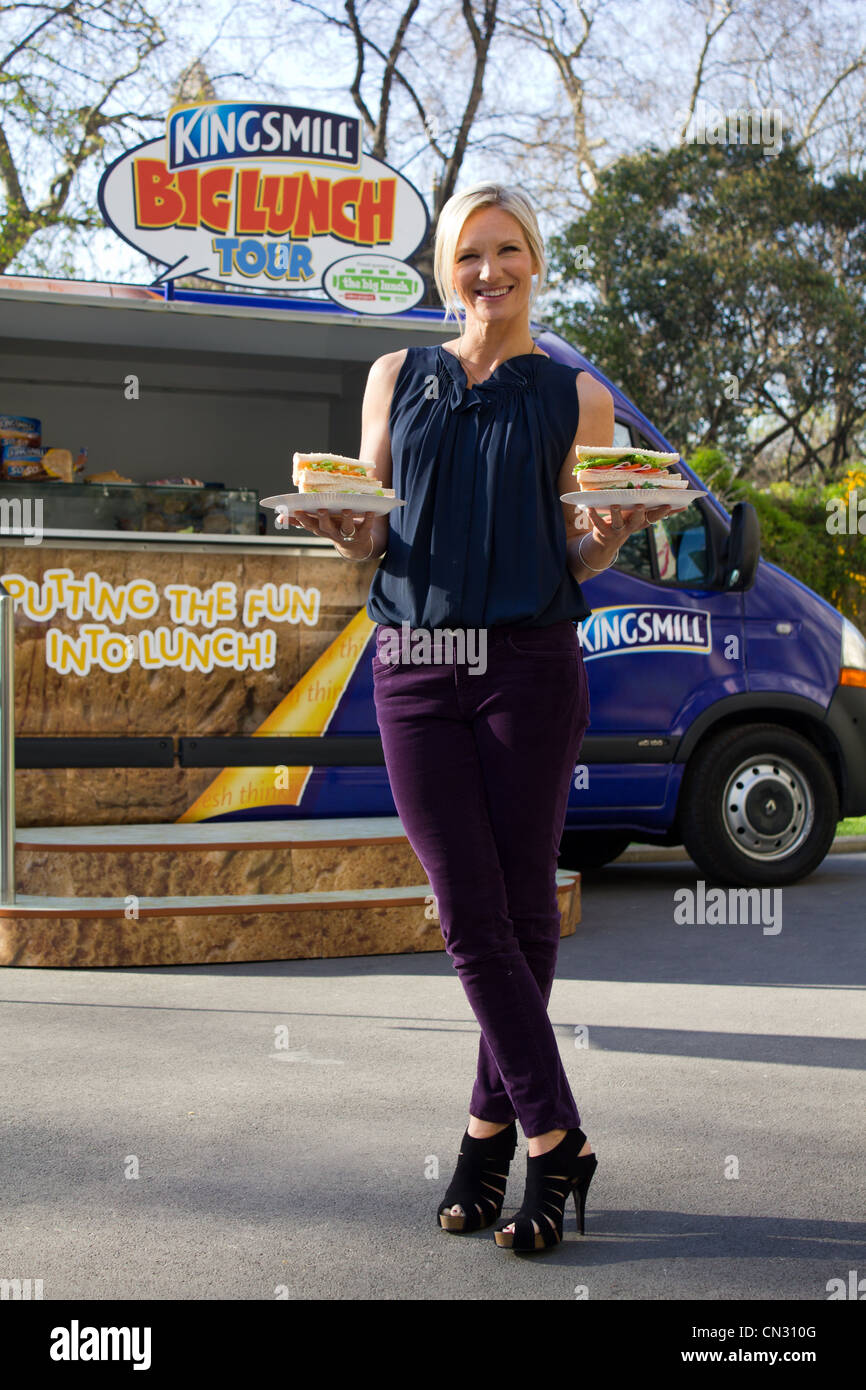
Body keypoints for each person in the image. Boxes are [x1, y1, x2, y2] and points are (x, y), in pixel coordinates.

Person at [289, 181, 674, 1253]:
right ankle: (557, 1138)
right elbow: (372, 531)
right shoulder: (392, 376)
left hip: (529, 665)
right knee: (467, 912)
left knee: (516, 909)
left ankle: (484, 1144)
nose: (487, 272)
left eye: (506, 252)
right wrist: (339, 530)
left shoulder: (574, 396)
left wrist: (614, 536)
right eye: (469, 254)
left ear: (533, 262)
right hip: (412, 663)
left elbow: (575, 556)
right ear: (443, 269)